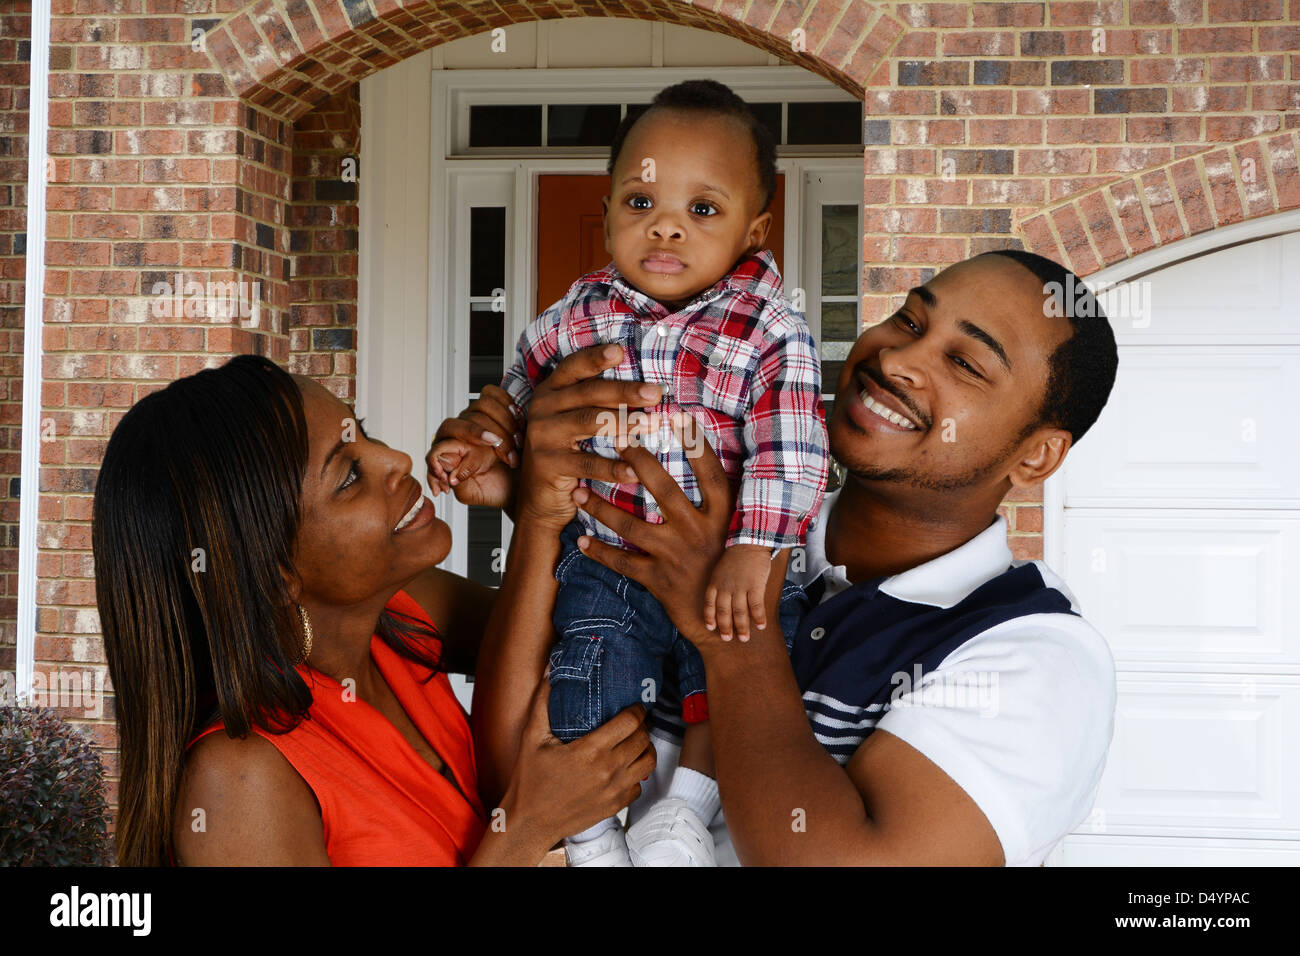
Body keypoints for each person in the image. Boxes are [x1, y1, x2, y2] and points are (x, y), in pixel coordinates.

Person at [443, 249, 1120, 865]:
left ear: (1036, 455)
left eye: (966, 363)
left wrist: (733, 630)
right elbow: (526, 778)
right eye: (912, 322)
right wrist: (540, 513)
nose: (896, 361)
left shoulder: (1036, 657)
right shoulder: (699, 523)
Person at [428, 80, 828, 866]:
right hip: (608, 559)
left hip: (729, 559)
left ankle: (685, 813)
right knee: (589, 659)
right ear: (607, 210)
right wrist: (487, 437)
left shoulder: (767, 327)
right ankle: (589, 833)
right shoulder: (580, 313)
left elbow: (793, 450)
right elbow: (520, 388)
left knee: (738, 663)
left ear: (755, 229)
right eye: (640, 202)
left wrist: (755, 547)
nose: (667, 226)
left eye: (703, 210)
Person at [93, 355, 655, 866]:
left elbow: (586, 641)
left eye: (363, 434)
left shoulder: (400, 621)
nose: (398, 459)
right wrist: (528, 830)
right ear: (274, 574)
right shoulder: (239, 781)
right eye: (349, 476)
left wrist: (533, 509)